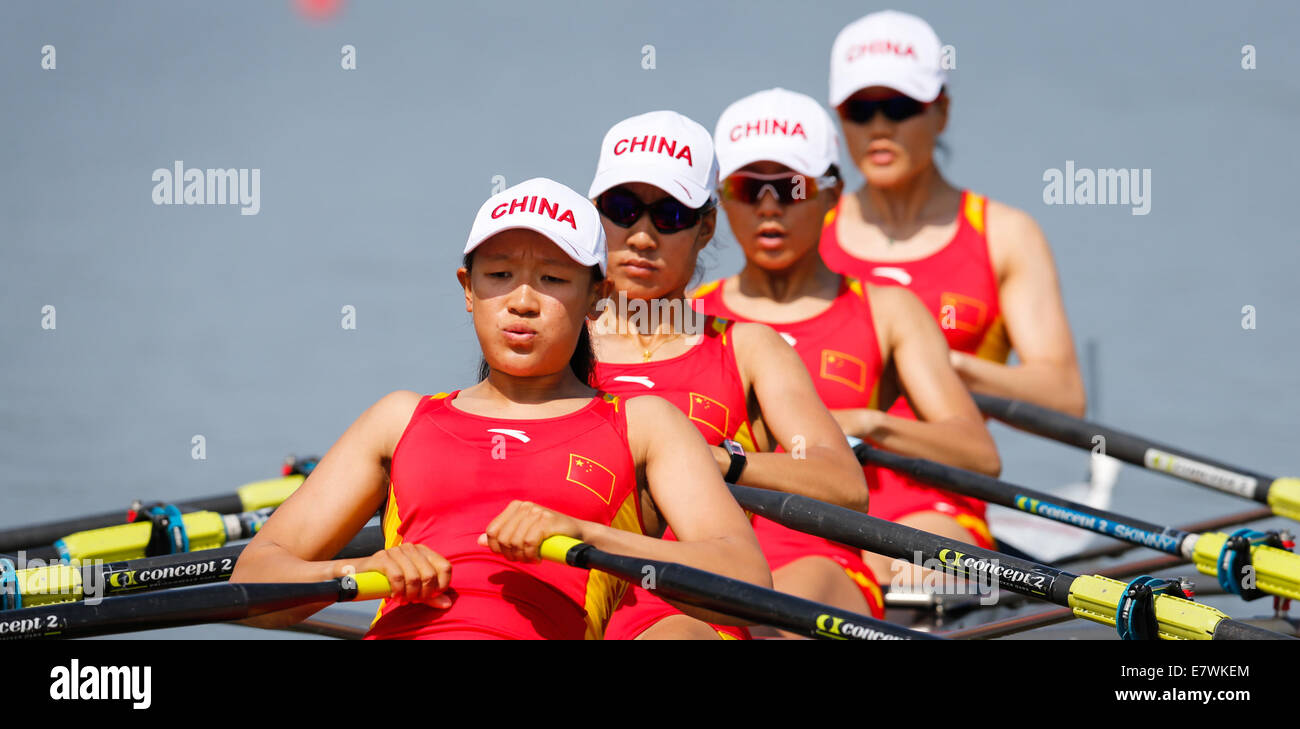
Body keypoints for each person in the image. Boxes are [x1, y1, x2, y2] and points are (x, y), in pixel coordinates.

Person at [230, 178, 769, 639]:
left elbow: (745, 579)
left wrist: (587, 537)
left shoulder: (644, 424)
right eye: (499, 275)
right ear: (468, 289)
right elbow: (253, 580)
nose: (523, 301)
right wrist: (364, 567)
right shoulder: (398, 420)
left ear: (597, 297)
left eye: (554, 279)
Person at [692, 87, 999, 591]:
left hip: (853, 544)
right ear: (722, 200)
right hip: (741, 538)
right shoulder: (691, 315)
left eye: (790, 188)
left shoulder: (887, 309)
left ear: (832, 195)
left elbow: (979, 455)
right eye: (749, 190)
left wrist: (864, 424)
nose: (769, 209)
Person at [816, 11, 1087, 571]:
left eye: (900, 107)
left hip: (939, 496)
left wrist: (936, 366)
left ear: (940, 110)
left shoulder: (1003, 235)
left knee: (914, 573)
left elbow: (1064, 396)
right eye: (860, 110)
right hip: (822, 486)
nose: (879, 127)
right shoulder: (805, 234)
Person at [585, 110, 870, 639]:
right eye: (623, 210)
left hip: (696, 610)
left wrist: (720, 461)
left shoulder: (748, 348)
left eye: (669, 215)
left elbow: (843, 483)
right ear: (595, 214)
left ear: (706, 227)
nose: (643, 236)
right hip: (575, 591)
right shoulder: (556, 344)